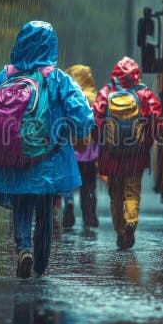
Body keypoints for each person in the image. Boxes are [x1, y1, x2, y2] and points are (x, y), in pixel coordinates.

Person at [0, 21, 94, 278]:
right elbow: (81, 112)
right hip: (49, 158)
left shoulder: (5, 76)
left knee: (21, 204)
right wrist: (81, 130)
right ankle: (40, 260)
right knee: (45, 209)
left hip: (13, 154)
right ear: (52, 46)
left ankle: (23, 248)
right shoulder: (57, 78)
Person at [92, 57, 162, 250]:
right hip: (136, 155)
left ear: (115, 74)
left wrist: (102, 143)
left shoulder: (106, 93)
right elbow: (157, 122)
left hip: (111, 156)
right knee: (132, 192)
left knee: (115, 195)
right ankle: (131, 221)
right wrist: (146, 143)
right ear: (136, 75)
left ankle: (121, 232)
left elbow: (95, 120)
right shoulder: (144, 94)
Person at [62, 64, 100, 229]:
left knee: (69, 181)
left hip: (71, 151)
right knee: (89, 185)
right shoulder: (94, 98)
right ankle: (89, 213)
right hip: (90, 153)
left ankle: (69, 202)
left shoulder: (69, 96)